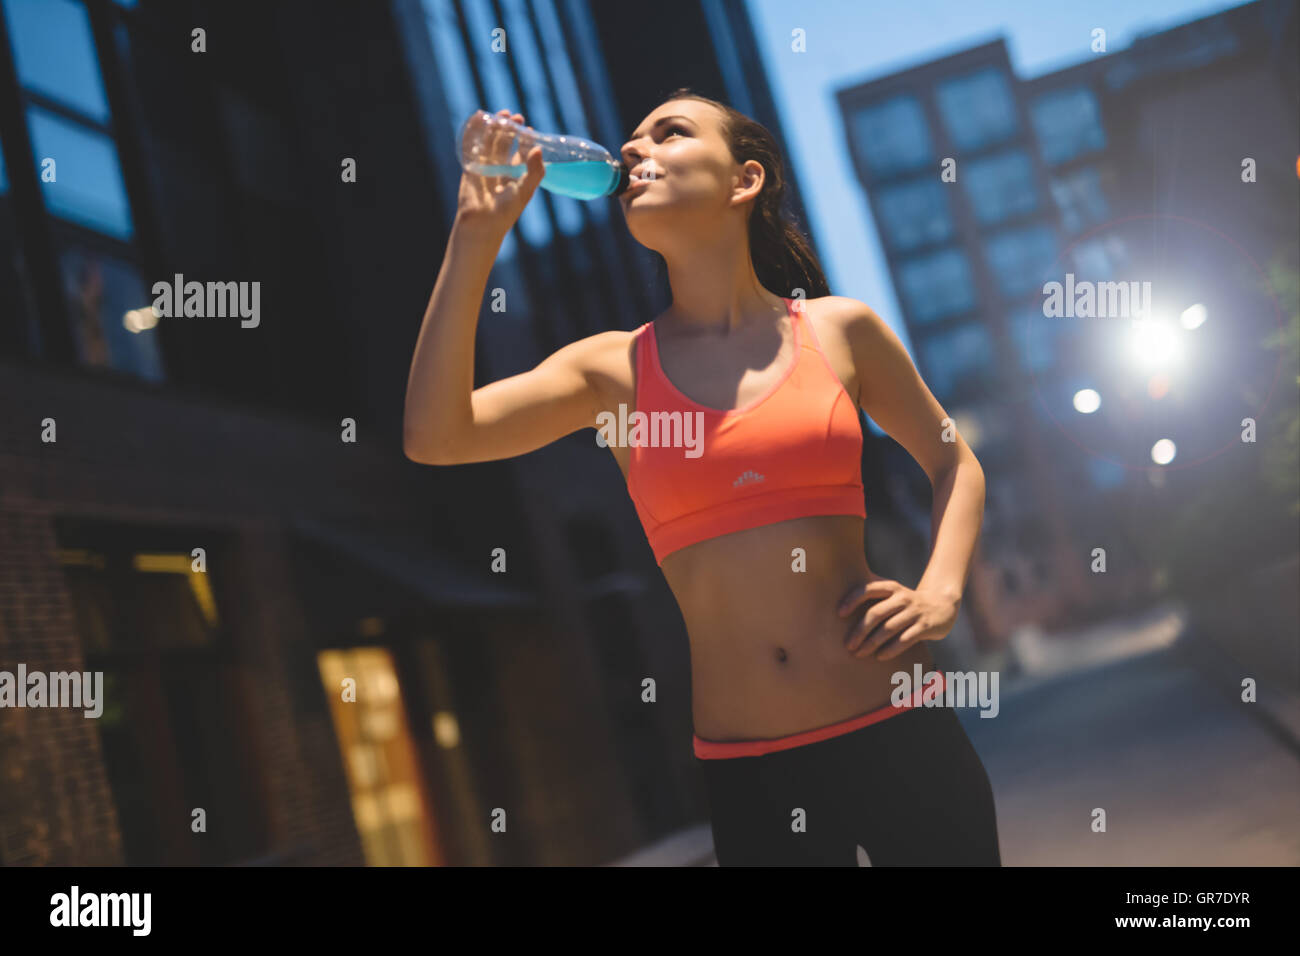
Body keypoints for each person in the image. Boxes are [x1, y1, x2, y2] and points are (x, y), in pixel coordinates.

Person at [404, 90, 1000, 866]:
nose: (633, 153)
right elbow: (436, 437)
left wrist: (940, 593)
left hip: (901, 732)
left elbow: (954, 458)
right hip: (753, 775)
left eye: (670, 133)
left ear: (743, 180)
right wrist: (474, 239)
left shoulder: (838, 330)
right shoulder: (611, 371)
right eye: (629, 145)